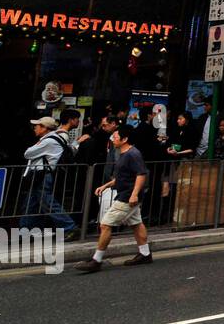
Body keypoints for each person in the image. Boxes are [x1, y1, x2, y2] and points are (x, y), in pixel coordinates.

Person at [77, 123, 152, 271]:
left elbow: (141, 174)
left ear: (125, 139)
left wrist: (134, 194)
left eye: (116, 136)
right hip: (126, 194)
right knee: (136, 224)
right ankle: (145, 254)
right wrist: (106, 185)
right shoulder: (124, 154)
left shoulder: (133, 154)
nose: (113, 139)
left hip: (127, 197)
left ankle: (96, 260)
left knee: (105, 224)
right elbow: (124, 176)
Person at [18, 115, 79, 238]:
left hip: (42, 175)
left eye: (37, 126)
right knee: (31, 203)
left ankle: (69, 227)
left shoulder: (49, 141)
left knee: (48, 203)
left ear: (44, 128)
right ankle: (25, 231)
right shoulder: (52, 139)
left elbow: (28, 153)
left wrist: (38, 144)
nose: (34, 128)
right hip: (40, 175)